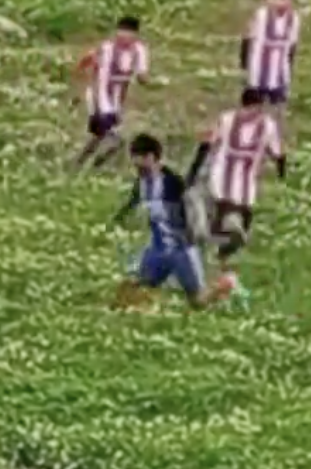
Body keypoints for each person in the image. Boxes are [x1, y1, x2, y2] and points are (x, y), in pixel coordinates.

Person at [184, 87, 285, 304]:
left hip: (232, 185)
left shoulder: (235, 120)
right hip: (233, 187)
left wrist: (192, 173)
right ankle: (215, 272)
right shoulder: (256, 123)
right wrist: (281, 171)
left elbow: (207, 145)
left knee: (229, 232)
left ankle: (216, 267)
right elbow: (277, 153)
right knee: (233, 231)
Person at [109, 134, 222, 312]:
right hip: (158, 249)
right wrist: (119, 218)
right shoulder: (142, 182)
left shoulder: (170, 181)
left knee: (198, 302)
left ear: (152, 157)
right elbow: (134, 199)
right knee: (131, 286)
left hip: (182, 250)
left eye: (141, 164)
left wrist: (203, 150)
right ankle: (133, 313)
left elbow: (190, 182)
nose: (138, 170)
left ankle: (225, 286)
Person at [74, 16, 150, 169]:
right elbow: (88, 65)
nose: (124, 36)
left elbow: (142, 75)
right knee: (115, 138)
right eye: (121, 32)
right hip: (99, 98)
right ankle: (93, 165)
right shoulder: (106, 48)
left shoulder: (139, 51)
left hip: (116, 100)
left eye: (129, 33)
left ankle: (80, 163)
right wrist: (83, 91)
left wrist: (149, 81)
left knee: (99, 135)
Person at [241, 0, 300, 131]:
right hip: (258, 69)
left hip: (280, 71)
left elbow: (292, 45)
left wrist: (289, 67)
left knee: (277, 107)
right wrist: (244, 63)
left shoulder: (294, 19)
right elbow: (248, 38)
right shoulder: (261, 15)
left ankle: (274, 136)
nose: (279, 2)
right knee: (255, 105)